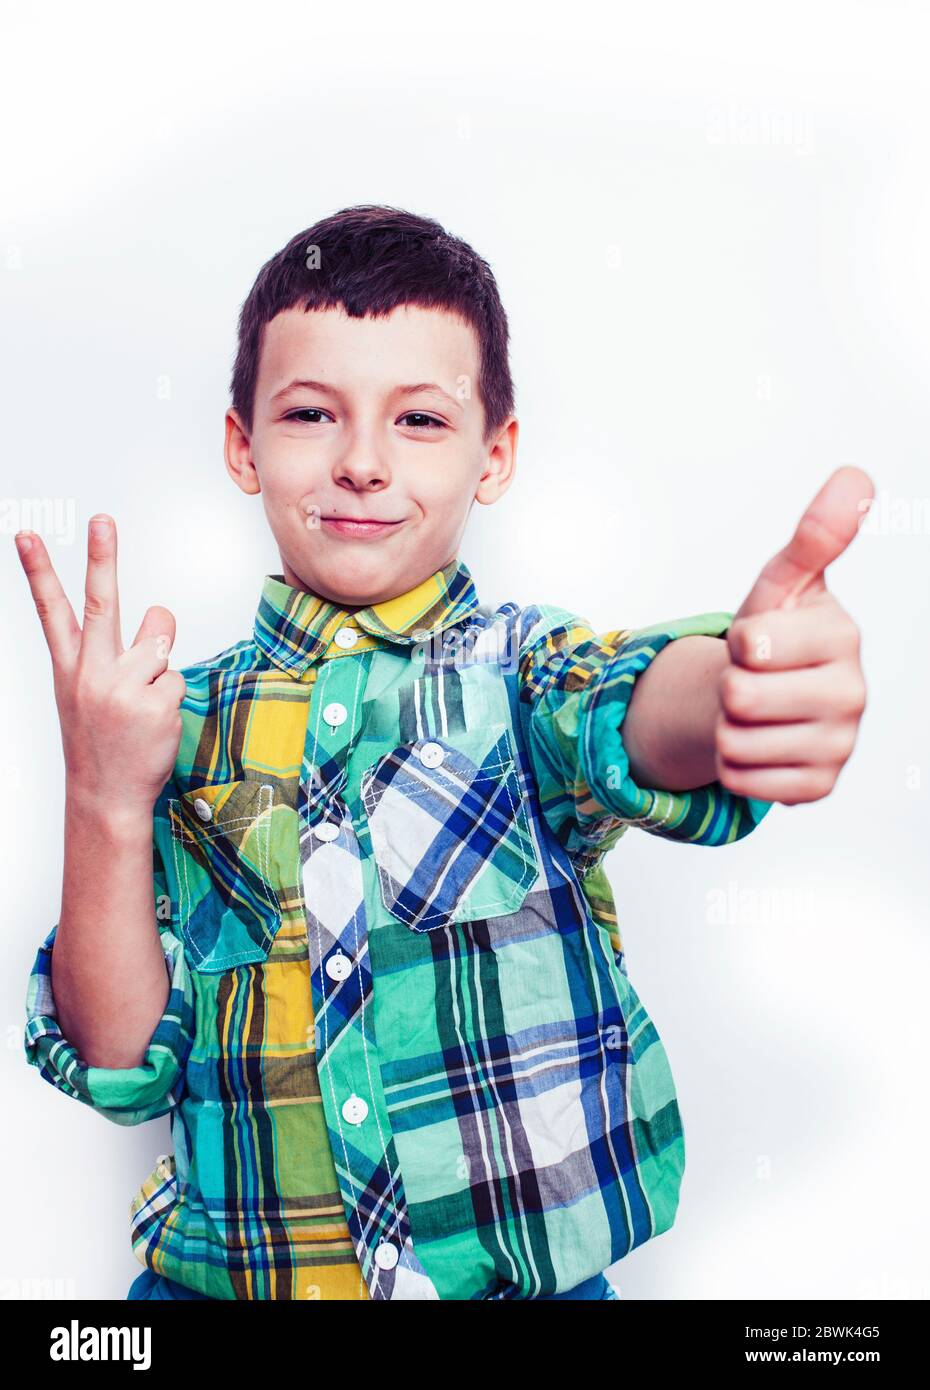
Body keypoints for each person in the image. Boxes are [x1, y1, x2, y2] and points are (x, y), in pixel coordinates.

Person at [17, 205, 869, 1301]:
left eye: (419, 419)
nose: (363, 462)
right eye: (312, 412)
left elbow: (627, 706)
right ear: (242, 444)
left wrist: (736, 687)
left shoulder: (521, 675)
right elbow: (122, 1066)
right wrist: (102, 793)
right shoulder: (173, 721)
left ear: (495, 453)